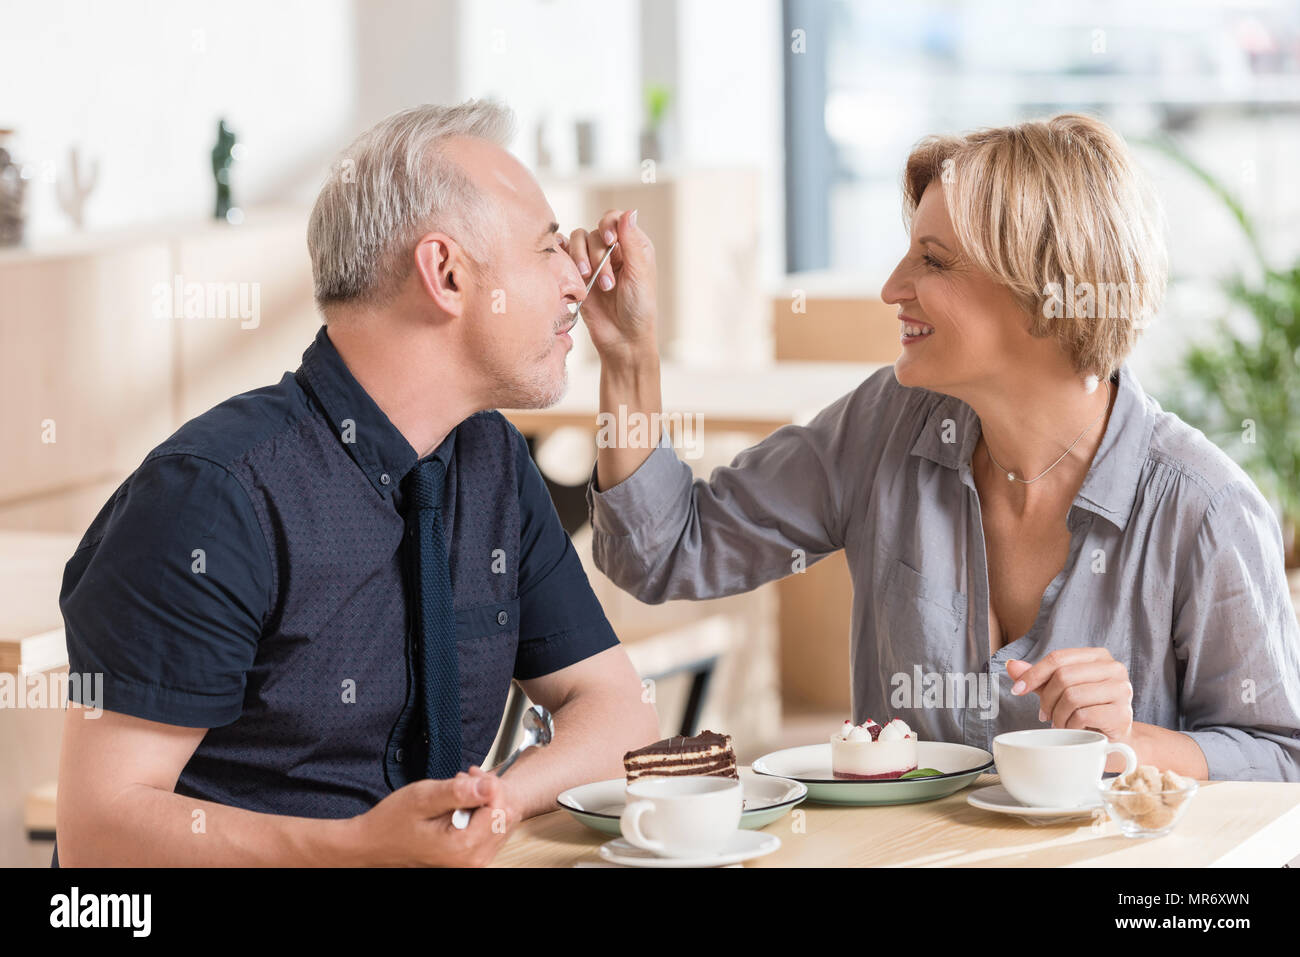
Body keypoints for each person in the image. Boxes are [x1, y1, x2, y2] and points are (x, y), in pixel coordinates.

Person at [574, 112, 1300, 782]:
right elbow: (665, 549)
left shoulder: (1205, 510)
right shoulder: (884, 427)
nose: (894, 287)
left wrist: (1129, 741)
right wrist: (630, 356)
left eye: (934, 260)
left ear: (1045, 294)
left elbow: (1283, 759)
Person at [55, 100, 659, 866]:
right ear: (444, 273)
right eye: (547, 249)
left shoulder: (493, 462)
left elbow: (620, 710)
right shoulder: (211, 498)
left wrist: (501, 800)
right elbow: (98, 834)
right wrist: (350, 850)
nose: (579, 277)